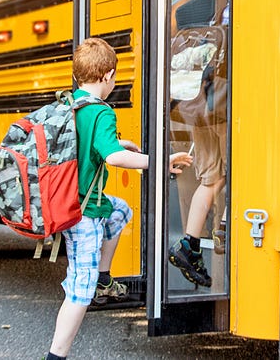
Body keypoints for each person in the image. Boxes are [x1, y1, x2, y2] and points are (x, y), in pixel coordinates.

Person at [46, 37, 192, 360]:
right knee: (79, 293)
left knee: (120, 212)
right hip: (83, 215)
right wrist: (158, 161)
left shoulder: (72, 103)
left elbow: (89, 143)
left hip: (71, 203)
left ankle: (103, 277)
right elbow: (112, 158)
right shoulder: (101, 112)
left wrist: (117, 143)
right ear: (109, 75)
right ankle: (55, 356)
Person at [167, 29, 228, 288]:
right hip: (223, 108)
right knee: (235, 169)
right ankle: (223, 227)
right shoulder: (233, 24)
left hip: (199, 111)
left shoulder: (202, 31)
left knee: (209, 179)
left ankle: (189, 243)